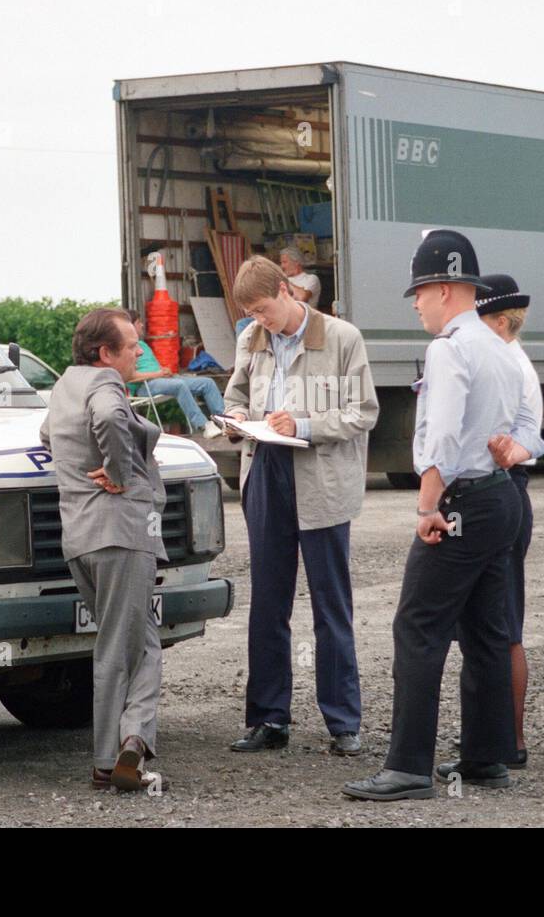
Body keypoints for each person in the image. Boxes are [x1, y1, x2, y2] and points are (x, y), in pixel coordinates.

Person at [343, 229, 544, 801]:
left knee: (418, 628)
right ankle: (487, 758)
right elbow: (522, 429)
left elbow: (443, 436)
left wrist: (427, 507)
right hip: (503, 497)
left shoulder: (450, 348)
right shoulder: (500, 347)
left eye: (420, 291)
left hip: (460, 502)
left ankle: (408, 766)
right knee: (487, 630)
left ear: (446, 289)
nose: (414, 302)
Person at [223, 255, 378, 757]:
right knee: (268, 602)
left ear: (288, 290)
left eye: (265, 310)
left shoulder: (342, 338)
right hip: (266, 470)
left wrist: (305, 425)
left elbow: (363, 412)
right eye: (252, 314)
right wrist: (237, 416)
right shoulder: (251, 338)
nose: (260, 321)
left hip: (322, 478)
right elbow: (235, 393)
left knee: (331, 605)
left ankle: (343, 722)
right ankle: (269, 719)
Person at [40, 308, 169, 792]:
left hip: (80, 540)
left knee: (144, 640)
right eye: (132, 345)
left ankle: (133, 739)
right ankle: (104, 761)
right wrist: (117, 470)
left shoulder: (64, 385)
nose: (139, 352)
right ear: (105, 354)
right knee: (119, 646)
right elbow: (113, 417)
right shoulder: (106, 385)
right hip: (120, 535)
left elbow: (49, 436)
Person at [475, 274, 541, 769]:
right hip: (508, 490)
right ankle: (500, 739)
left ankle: (507, 741)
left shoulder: (509, 367)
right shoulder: (512, 361)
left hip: (502, 488)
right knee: (500, 621)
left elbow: (513, 444)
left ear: (500, 321)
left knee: (502, 624)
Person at [126, 309, 225, 439]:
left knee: (207, 382)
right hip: (144, 386)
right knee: (178, 385)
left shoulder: (143, 344)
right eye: (139, 322)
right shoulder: (125, 348)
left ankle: (225, 421)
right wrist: (158, 374)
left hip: (162, 380)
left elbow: (151, 365)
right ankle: (203, 425)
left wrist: (164, 370)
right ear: (130, 325)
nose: (142, 325)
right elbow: (129, 377)